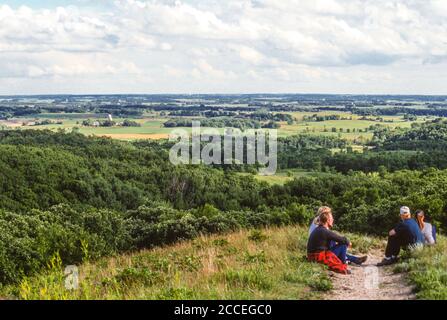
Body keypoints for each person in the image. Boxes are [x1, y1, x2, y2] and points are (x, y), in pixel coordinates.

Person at [307, 207, 359, 275]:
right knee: (343, 245)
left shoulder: (318, 229)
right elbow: (343, 240)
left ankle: (345, 261)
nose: (333, 219)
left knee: (334, 242)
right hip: (319, 257)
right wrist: (348, 242)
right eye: (331, 218)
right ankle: (342, 264)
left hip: (312, 256)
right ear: (328, 220)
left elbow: (336, 238)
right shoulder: (325, 231)